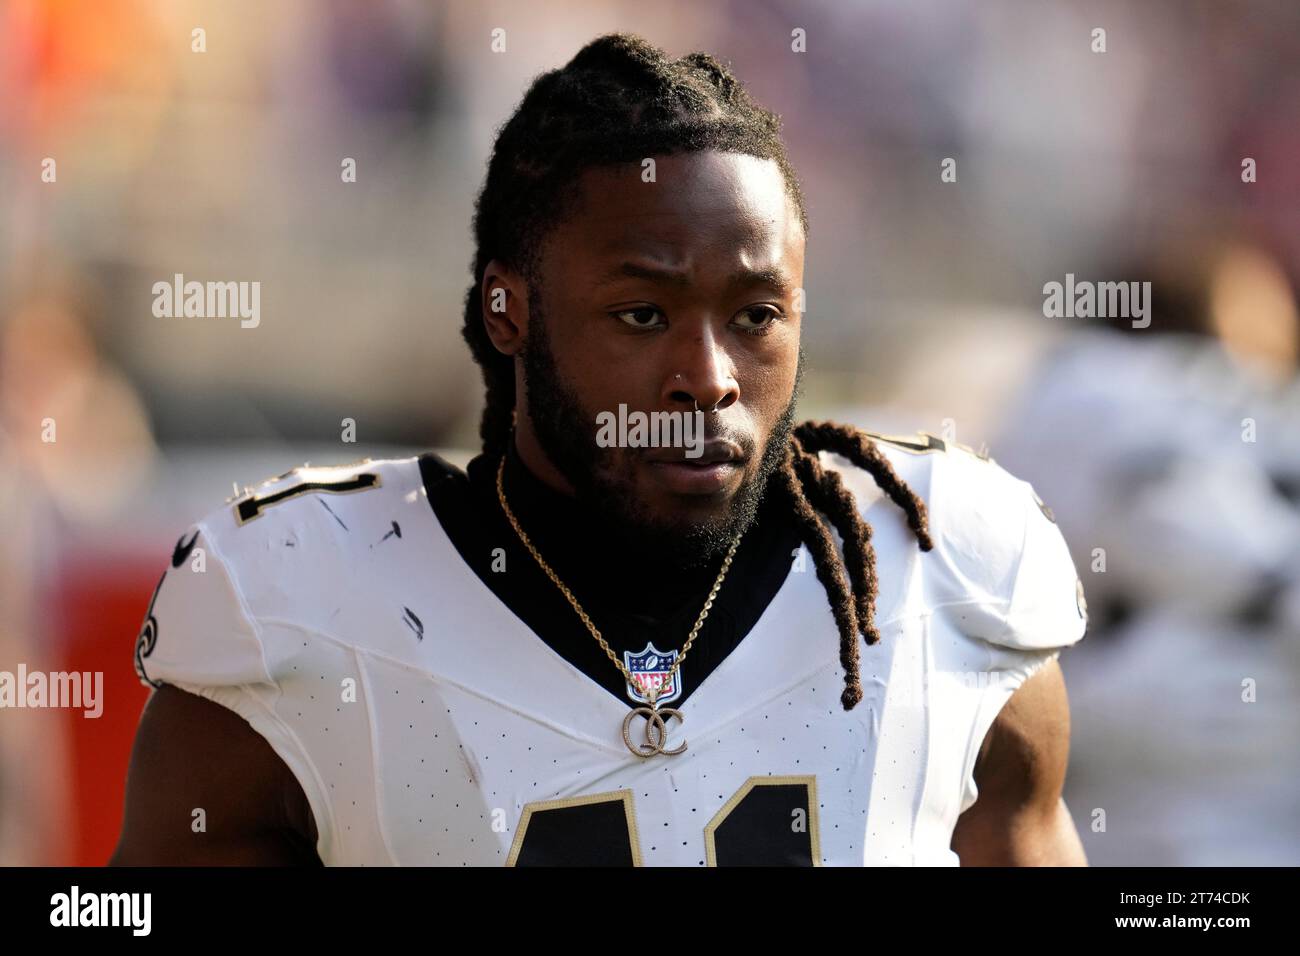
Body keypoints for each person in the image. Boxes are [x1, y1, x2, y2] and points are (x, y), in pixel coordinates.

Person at [110, 33, 1086, 867]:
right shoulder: (306, 598)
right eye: (642, 311)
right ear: (508, 309)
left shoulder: (945, 573)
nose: (706, 375)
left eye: (754, 314)